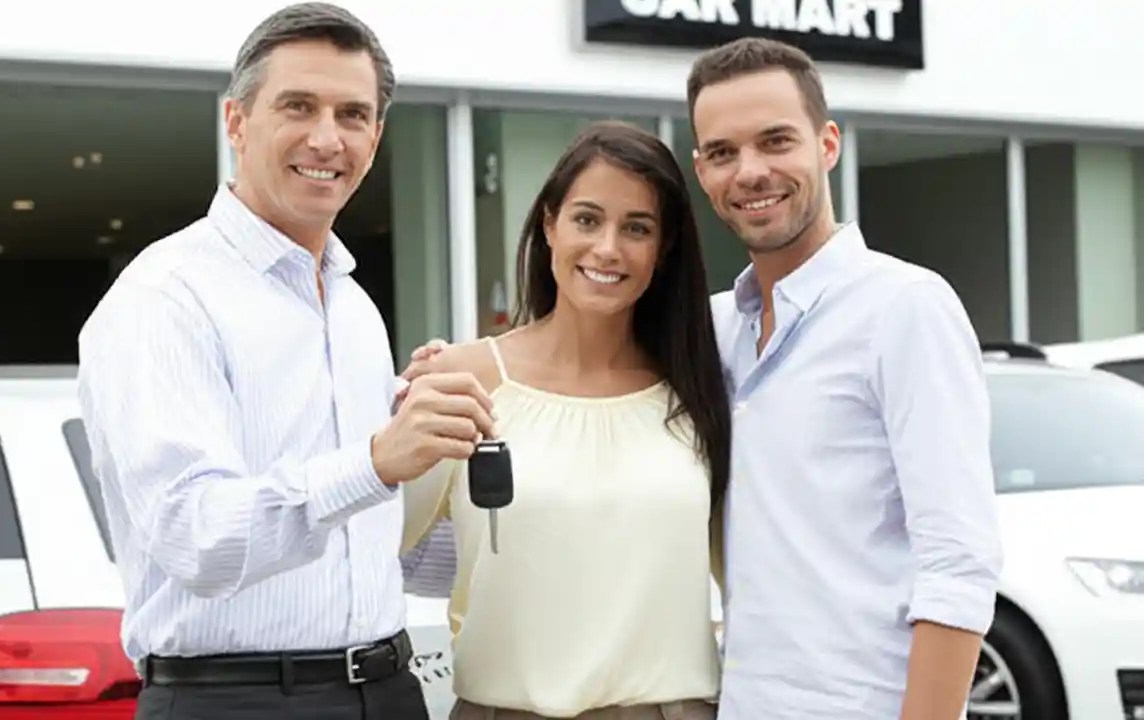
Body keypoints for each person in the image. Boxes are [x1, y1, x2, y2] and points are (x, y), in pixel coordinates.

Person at [75, 4, 495, 719]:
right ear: (236, 122)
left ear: (377, 135)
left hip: (391, 691)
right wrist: (375, 460)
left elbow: (379, 549)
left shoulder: (353, 306)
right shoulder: (165, 297)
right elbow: (196, 537)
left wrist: (462, 460)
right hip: (238, 703)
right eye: (298, 106)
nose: (327, 138)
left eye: (353, 114)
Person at [687, 38, 1004, 720]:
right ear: (701, 170)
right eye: (722, 152)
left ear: (827, 144)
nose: (750, 171)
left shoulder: (904, 308)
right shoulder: (713, 331)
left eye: (776, 141)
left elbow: (959, 566)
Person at [399, 121, 733, 720]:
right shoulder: (461, 379)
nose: (608, 248)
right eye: (587, 219)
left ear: (665, 249)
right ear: (550, 224)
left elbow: (752, 576)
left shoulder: (702, 389)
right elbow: (368, 548)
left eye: (637, 228)